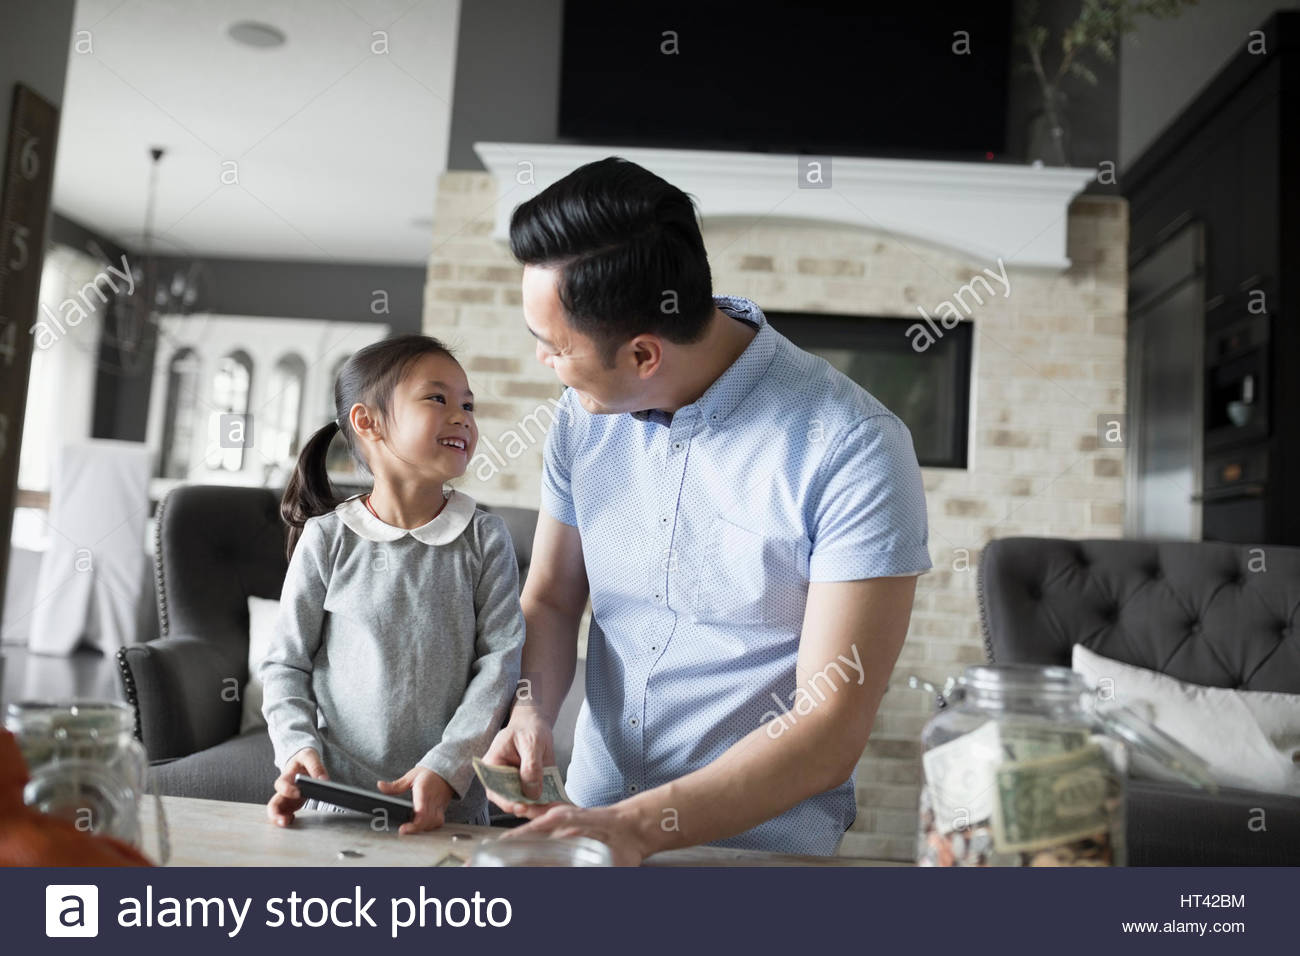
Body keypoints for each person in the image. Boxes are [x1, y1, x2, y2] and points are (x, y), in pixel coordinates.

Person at [481, 158, 932, 864]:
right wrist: (531, 706)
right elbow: (553, 596)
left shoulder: (856, 449)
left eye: (554, 347)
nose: (541, 360)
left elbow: (829, 725)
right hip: (593, 821)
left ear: (643, 353)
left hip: (755, 855)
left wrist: (641, 826)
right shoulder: (580, 416)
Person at [260, 334, 525, 834]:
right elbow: (285, 664)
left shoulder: (485, 538)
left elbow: (500, 665)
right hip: (335, 805)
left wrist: (448, 768)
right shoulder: (327, 538)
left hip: (450, 810)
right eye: (438, 398)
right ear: (368, 422)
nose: (462, 417)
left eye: (468, 404)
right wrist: (297, 748)